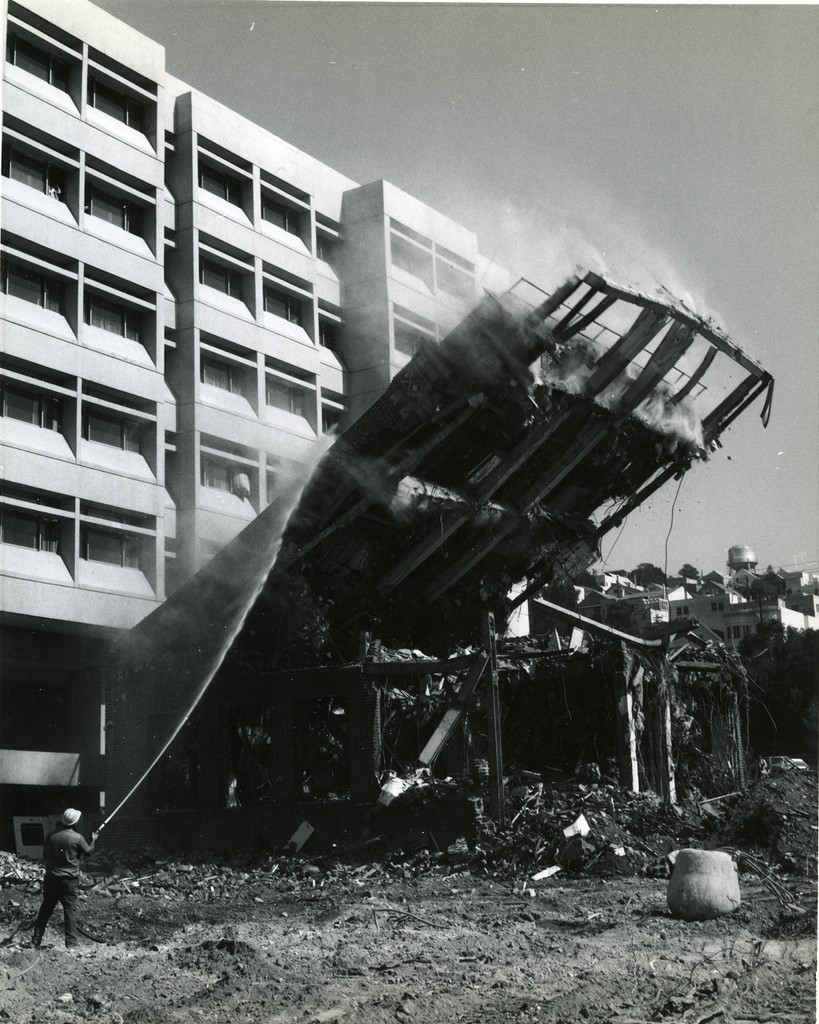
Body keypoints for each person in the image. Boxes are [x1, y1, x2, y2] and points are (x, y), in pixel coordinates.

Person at [31, 808, 99, 950]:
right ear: (75, 822)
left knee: (45, 910)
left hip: (51, 879)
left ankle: (35, 941)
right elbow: (89, 852)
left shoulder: (50, 836)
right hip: (69, 881)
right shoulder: (77, 837)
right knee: (69, 912)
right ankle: (71, 944)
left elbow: (46, 855)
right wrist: (93, 840)